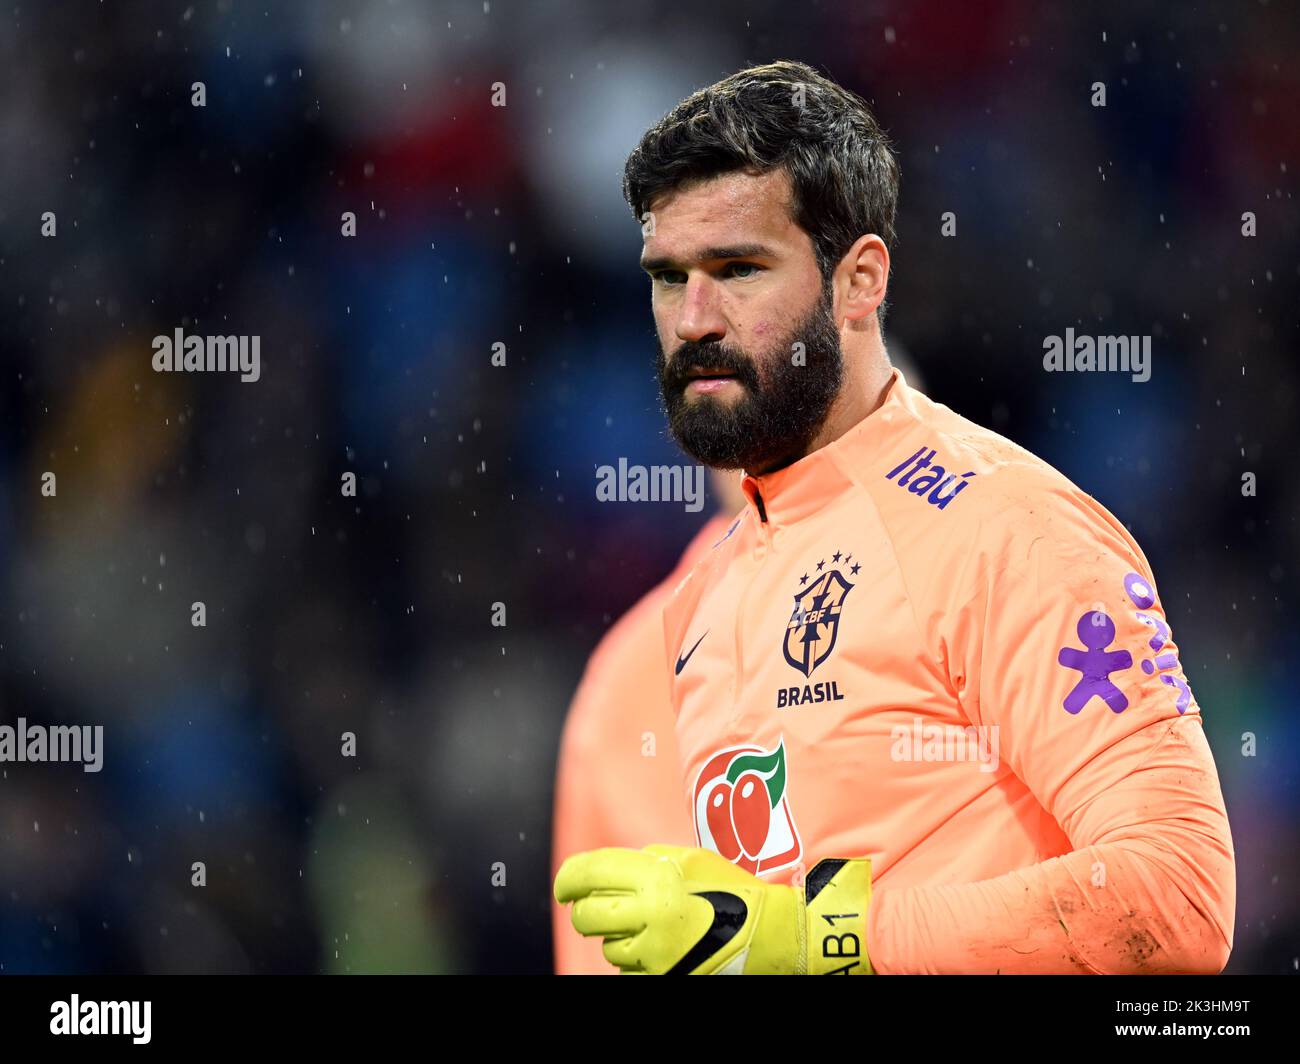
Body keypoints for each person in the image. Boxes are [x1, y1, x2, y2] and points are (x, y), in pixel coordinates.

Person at [554, 60, 1234, 975]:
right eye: (669, 278)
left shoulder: (1009, 529)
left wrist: (816, 936)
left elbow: (1177, 896)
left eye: (739, 269)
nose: (695, 319)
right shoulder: (704, 603)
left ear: (859, 282)